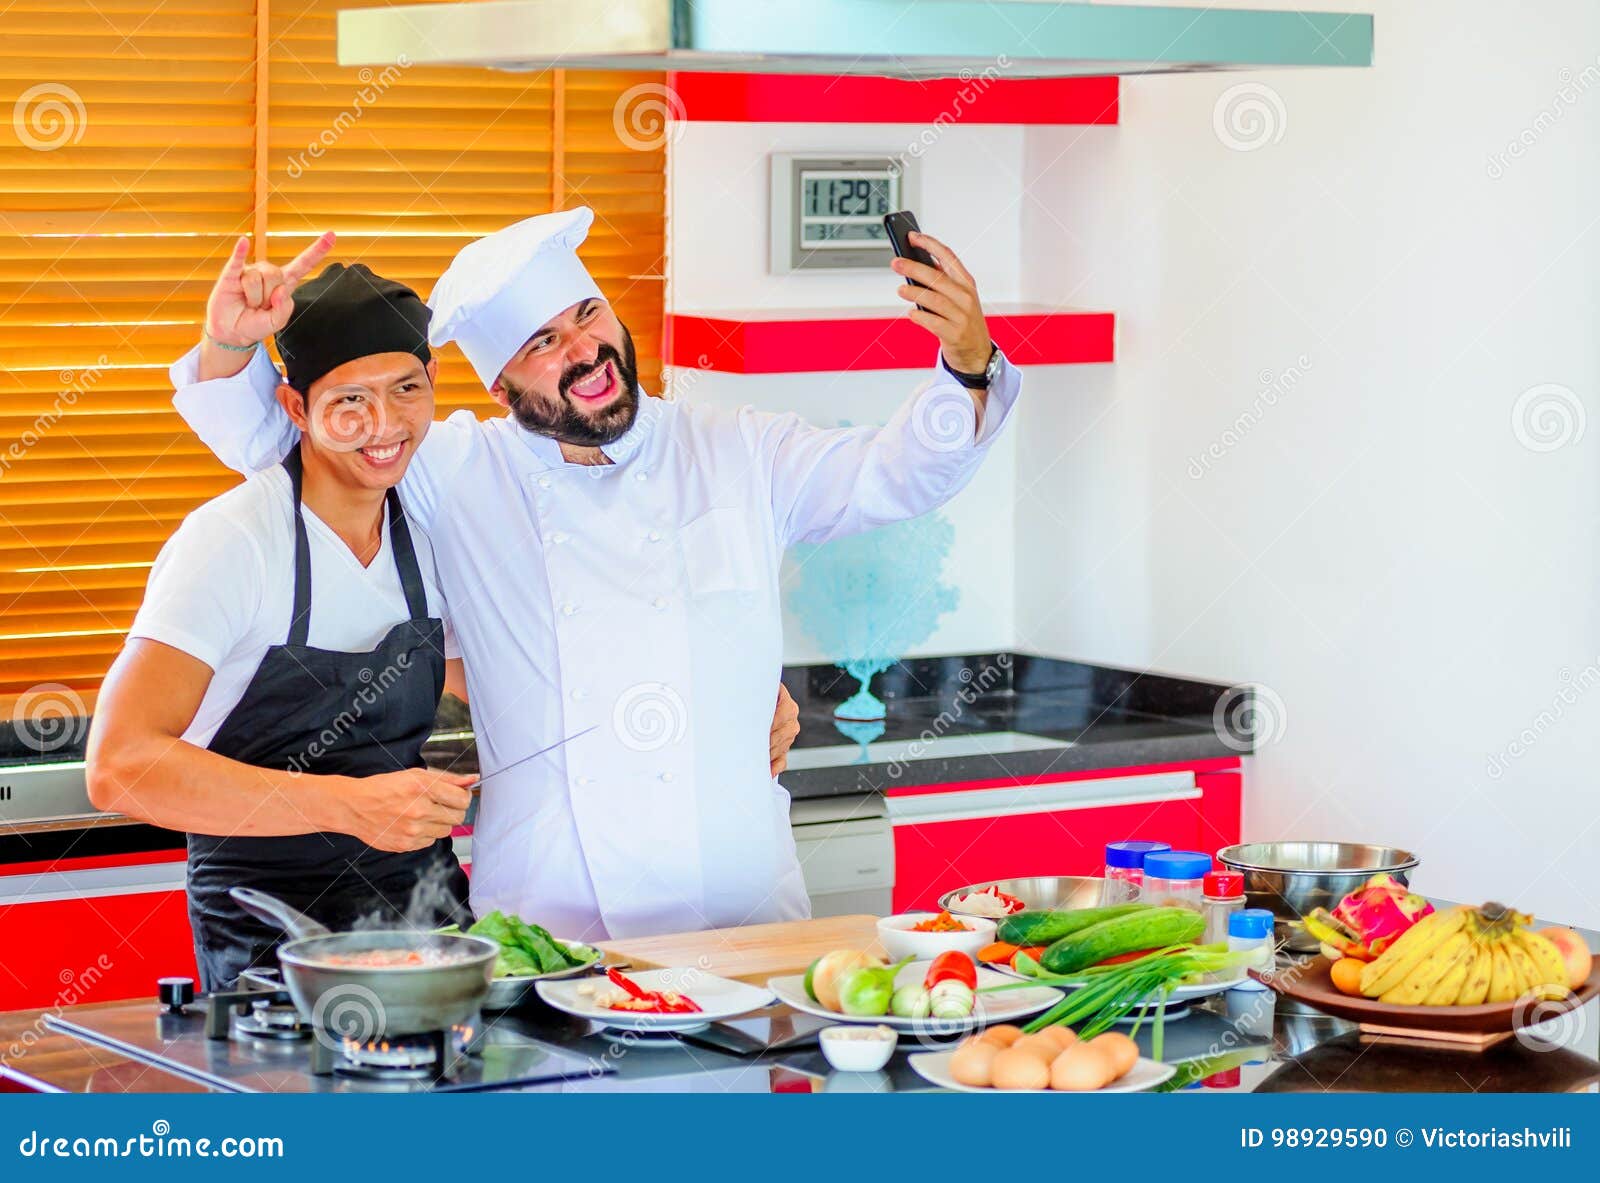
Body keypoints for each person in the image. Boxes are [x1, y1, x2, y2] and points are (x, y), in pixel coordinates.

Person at [171, 207, 1020, 941]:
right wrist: (227, 346)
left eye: (588, 315)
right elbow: (296, 443)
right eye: (544, 343)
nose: (585, 350)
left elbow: (895, 473)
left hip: (744, 918)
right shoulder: (457, 468)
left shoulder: (739, 448)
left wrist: (968, 360)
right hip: (554, 925)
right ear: (500, 384)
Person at [85, 257, 479, 992]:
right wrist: (350, 805)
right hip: (270, 938)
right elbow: (118, 765)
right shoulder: (233, 541)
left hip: (429, 922)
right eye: (350, 400)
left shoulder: (435, 535)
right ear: (297, 408)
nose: (385, 425)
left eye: (406, 390)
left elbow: (511, 679)